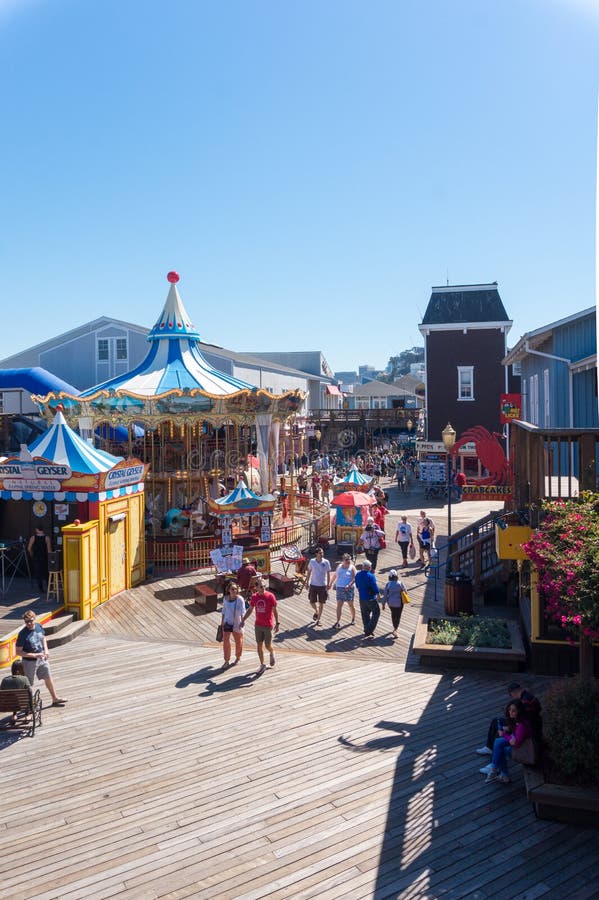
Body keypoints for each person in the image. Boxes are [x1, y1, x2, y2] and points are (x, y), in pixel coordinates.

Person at [477, 682, 543, 770]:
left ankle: (495, 762)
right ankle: (490, 748)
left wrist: (508, 729)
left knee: (498, 734)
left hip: (528, 729)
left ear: (513, 693)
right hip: (527, 725)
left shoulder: (524, 702)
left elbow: (523, 721)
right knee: (496, 721)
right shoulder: (528, 696)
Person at [15, 611, 67, 706]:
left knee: (48, 677)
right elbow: (18, 652)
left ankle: (55, 698)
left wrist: (46, 650)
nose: (29, 624)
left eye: (31, 621)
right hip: (29, 662)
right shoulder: (22, 634)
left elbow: (43, 638)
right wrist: (34, 655)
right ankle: (29, 706)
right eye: (27, 622)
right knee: (29, 683)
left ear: (35, 619)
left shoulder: (39, 626)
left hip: (42, 658)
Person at [484, 699, 532, 784]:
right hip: (521, 743)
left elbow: (515, 743)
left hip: (524, 750)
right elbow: (517, 734)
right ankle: (499, 772)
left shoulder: (522, 725)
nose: (510, 712)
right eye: (509, 710)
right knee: (499, 743)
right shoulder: (519, 720)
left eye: (513, 711)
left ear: (519, 711)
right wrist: (509, 729)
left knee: (499, 744)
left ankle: (496, 770)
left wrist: (504, 734)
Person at [242, 577, 279, 674]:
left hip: (268, 625)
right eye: (261, 586)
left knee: (267, 645)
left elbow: (275, 610)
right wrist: (243, 619)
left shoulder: (270, 596)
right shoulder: (254, 597)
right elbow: (250, 609)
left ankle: (272, 652)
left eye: (264, 586)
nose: (263, 588)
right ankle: (262, 665)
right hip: (258, 624)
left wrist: (277, 623)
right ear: (256, 587)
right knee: (259, 645)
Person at [220, 581, 245, 670]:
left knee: (238, 641)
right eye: (232, 589)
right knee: (226, 642)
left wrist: (242, 621)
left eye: (236, 589)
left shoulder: (240, 599)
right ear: (228, 590)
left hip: (237, 623)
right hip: (227, 622)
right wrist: (222, 621)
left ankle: (238, 657)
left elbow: (242, 611)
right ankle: (226, 660)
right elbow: (224, 610)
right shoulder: (225, 599)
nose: (234, 591)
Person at [354, 560, 381, 637]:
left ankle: (367, 630)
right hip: (371, 598)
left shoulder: (358, 574)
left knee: (365, 614)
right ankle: (368, 629)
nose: (370, 568)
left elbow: (357, 584)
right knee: (376, 613)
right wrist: (378, 594)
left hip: (362, 597)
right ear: (367, 567)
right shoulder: (371, 575)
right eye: (370, 566)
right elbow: (374, 586)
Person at [1, 659, 32, 726]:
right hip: (22, 705)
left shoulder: (4, 680)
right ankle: (27, 715)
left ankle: (14, 715)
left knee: (13, 697)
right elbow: (30, 693)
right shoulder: (24, 679)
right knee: (26, 698)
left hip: (7, 706)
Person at [330, 553, 357, 628]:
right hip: (340, 588)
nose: (348, 561)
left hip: (349, 588)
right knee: (339, 605)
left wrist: (349, 585)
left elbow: (355, 578)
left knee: (350, 604)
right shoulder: (339, 566)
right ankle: (338, 622)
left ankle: (353, 619)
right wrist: (331, 583)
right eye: (346, 560)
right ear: (343, 560)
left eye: (349, 560)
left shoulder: (352, 567)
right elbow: (335, 575)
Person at [306, 547, 331, 626]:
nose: (322, 554)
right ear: (316, 554)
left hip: (322, 585)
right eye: (320, 553)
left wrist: (328, 584)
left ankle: (318, 620)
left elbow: (328, 573)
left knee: (321, 603)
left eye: (322, 553)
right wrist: (307, 582)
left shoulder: (326, 562)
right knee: (311, 601)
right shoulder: (312, 561)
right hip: (313, 584)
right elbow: (309, 572)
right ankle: (316, 611)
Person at [382, 570, 406, 638]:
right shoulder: (400, 583)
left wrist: (383, 604)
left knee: (393, 614)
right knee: (398, 616)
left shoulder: (388, 584)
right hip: (399, 603)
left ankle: (395, 628)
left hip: (391, 603)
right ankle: (395, 629)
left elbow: (385, 595)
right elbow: (405, 592)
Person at [27, 526, 52, 593]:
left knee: (38, 574)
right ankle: (49, 587)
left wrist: (31, 554)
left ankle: (40, 589)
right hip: (44, 557)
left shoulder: (33, 537)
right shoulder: (47, 538)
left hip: (36, 557)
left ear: (37, 530)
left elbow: (29, 548)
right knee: (46, 573)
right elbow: (49, 550)